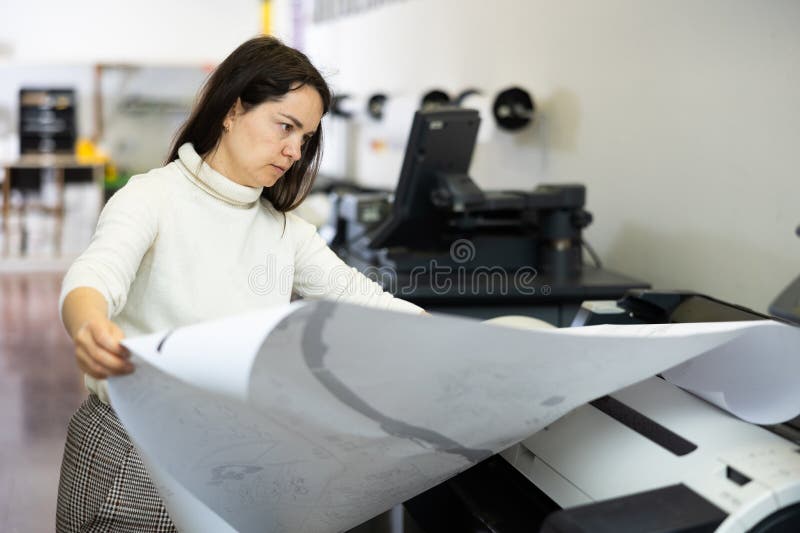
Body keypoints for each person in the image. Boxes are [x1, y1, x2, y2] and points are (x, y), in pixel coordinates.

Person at [55, 35, 424, 532]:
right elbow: (95, 275)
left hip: (228, 463)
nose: (294, 150)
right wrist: (89, 326)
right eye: (285, 127)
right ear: (233, 110)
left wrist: (475, 347)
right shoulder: (152, 198)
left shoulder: (285, 231)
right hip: (133, 455)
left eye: (306, 137)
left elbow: (361, 300)